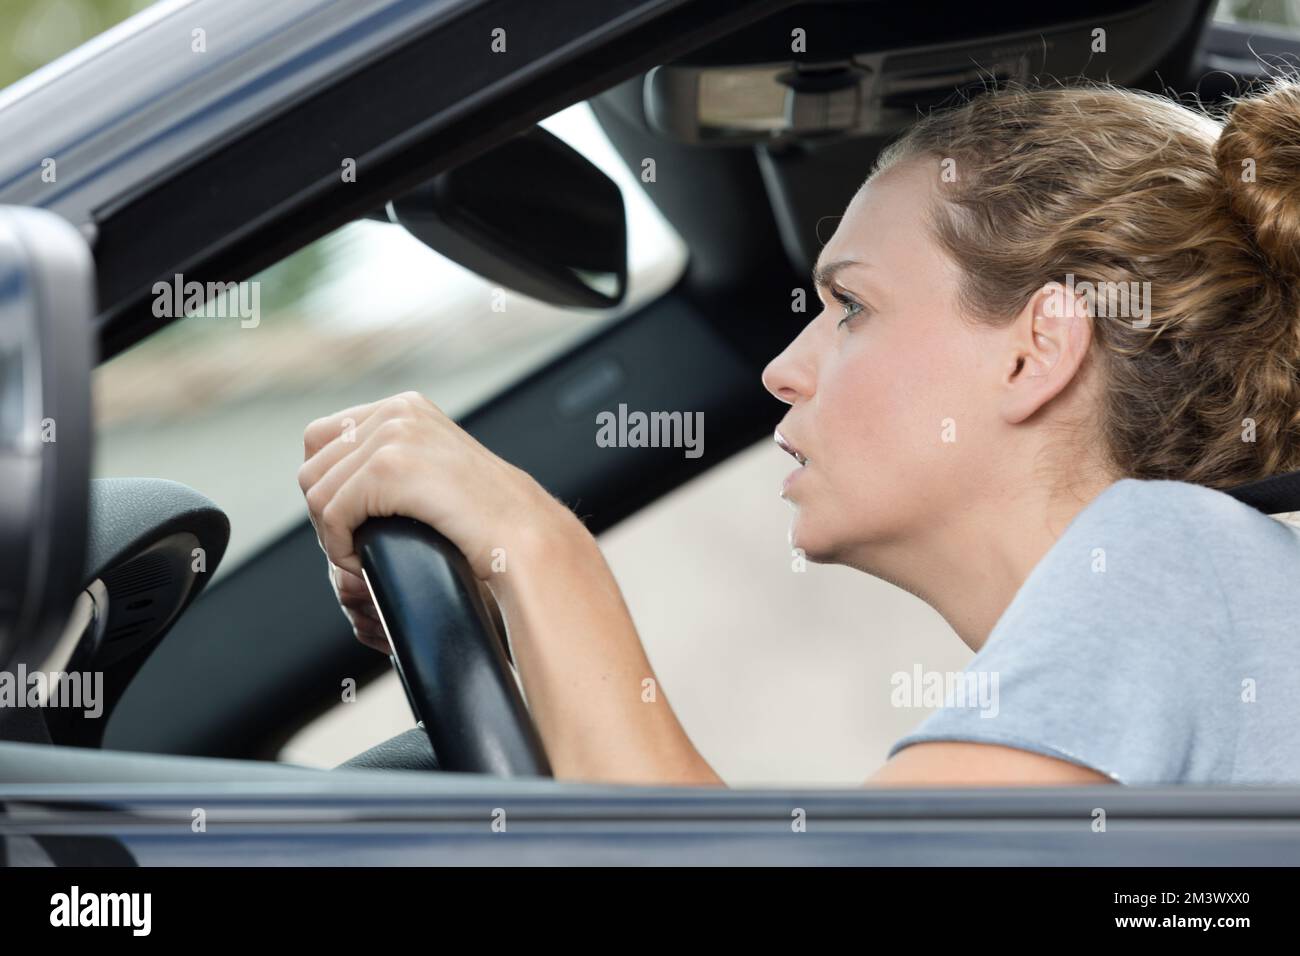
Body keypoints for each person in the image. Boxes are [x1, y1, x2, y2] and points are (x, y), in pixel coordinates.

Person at [298, 79, 1300, 787]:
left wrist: (538, 546)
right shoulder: (1204, 586)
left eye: (851, 306)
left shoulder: (1169, 555)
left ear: (1035, 347)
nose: (784, 369)